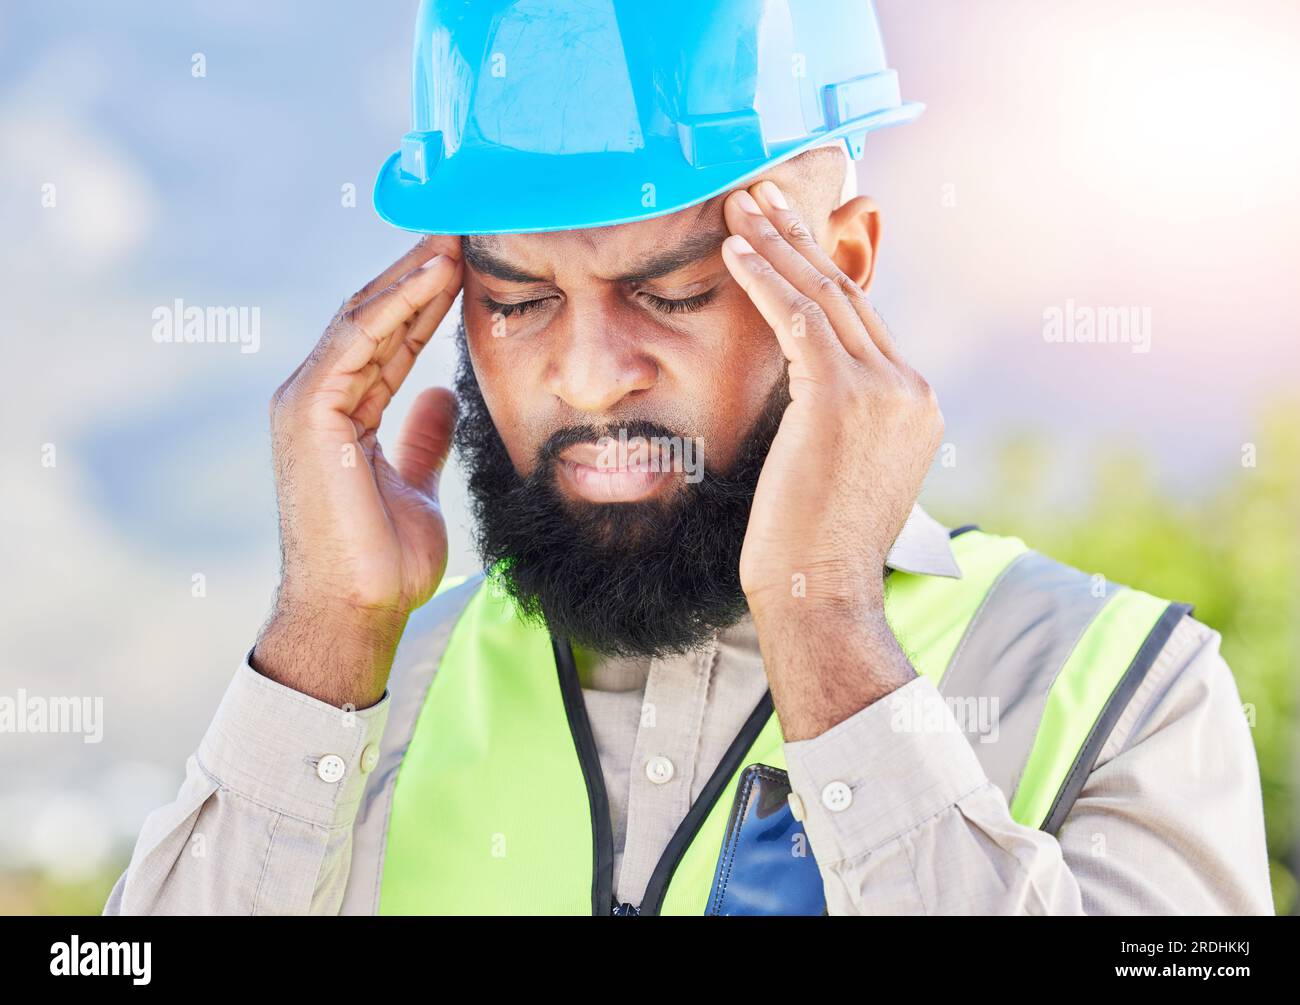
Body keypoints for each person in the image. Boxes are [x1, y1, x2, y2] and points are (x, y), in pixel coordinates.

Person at [106, 0, 1272, 915]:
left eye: (672, 292)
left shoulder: (1118, 689)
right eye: (514, 301)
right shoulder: (357, 699)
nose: (587, 373)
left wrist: (822, 622)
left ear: (842, 267)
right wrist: (322, 631)